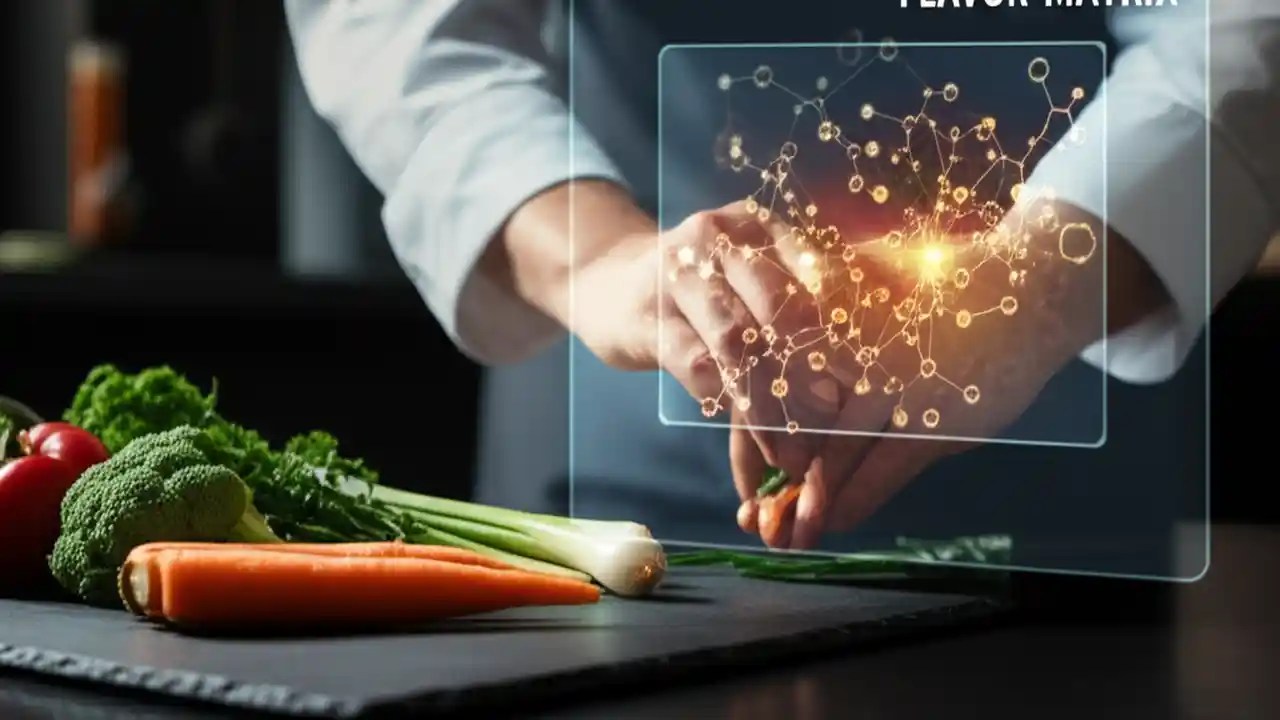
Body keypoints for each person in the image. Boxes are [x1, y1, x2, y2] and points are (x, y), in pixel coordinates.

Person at [283, 1, 1277, 553]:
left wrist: (1032, 286)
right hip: (616, 475)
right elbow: (400, 24)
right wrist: (599, 259)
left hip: (1062, 486)